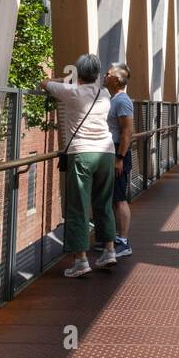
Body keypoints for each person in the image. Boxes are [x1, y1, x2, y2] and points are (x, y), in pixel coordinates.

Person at [41, 54, 118, 277]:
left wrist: (69, 78)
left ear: (78, 72)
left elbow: (44, 83)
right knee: (104, 202)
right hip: (106, 153)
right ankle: (109, 251)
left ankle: (81, 260)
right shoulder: (104, 93)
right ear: (97, 73)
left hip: (82, 153)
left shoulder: (72, 92)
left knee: (78, 206)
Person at [105, 63, 135, 258]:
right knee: (113, 198)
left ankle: (123, 242)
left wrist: (120, 158)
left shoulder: (122, 101)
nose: (105, 76)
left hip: (118, 152)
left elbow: (127, 131)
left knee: (119, 199)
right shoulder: (114, 99)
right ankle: (115, 239)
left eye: (108, 74)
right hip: (113, 151)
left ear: (117, 79)